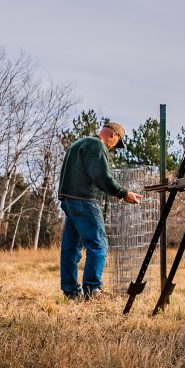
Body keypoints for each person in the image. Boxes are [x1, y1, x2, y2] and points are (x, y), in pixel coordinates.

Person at [58, 121, 141, 300]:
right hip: (85, 200)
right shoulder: (97, 145)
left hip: (68, 199)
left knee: (71, 248)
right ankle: (92, 289)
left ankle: (71, 292)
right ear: (113, 135)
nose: (114, 148)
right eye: (117, 143)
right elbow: (102, 177)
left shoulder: (77, 144)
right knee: (98, 244)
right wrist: (123, 193)